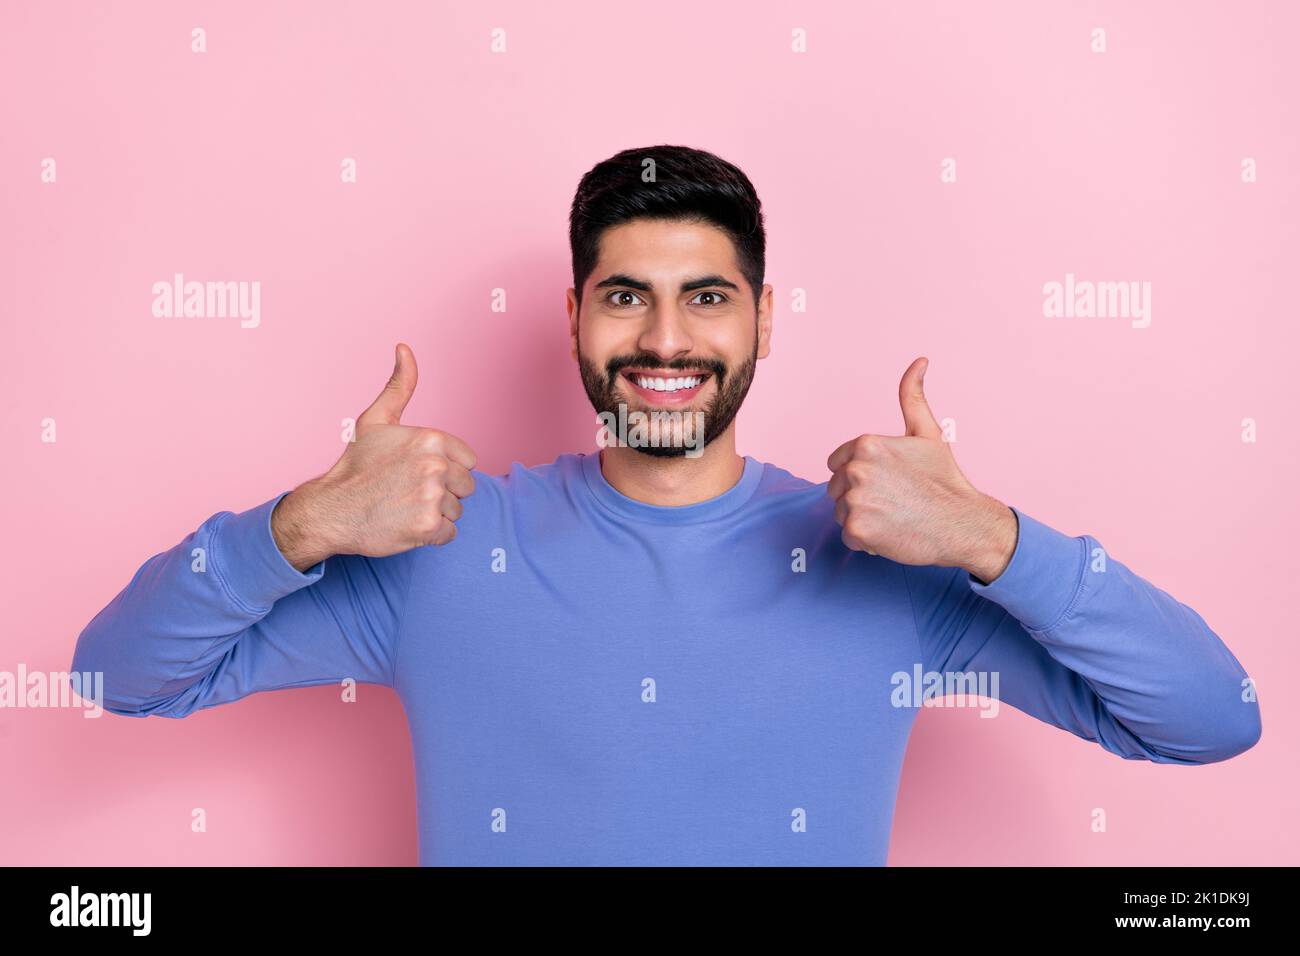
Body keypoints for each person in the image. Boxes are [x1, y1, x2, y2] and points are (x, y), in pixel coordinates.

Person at [71, 144, 1261, 865]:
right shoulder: (442, 546)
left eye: (707, 295)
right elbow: (118, 676)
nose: (665, 339)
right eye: (625, 295)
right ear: (574, 315)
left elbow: (1212, 716)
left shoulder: (891, 564)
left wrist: (997, 541)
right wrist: (303, 523)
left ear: (764, 317)